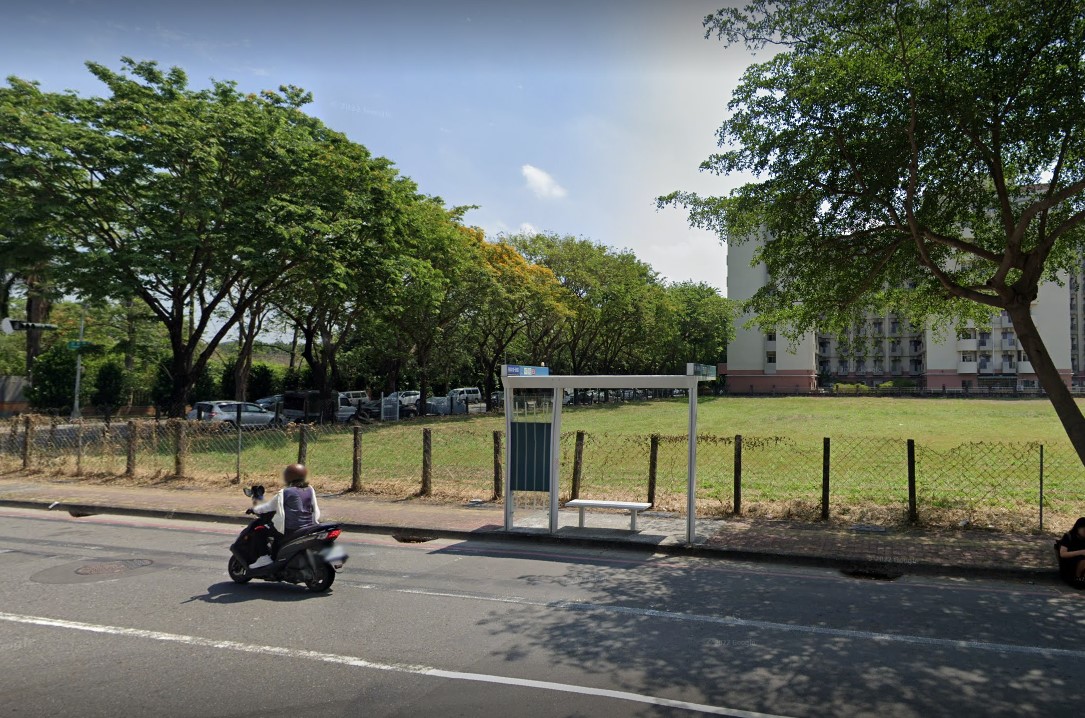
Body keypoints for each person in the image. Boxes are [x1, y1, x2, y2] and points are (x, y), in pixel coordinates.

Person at [248, 463, 322, 569]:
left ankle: (264, 558)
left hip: (290, 528)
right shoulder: (310, 489)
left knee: (259, 531)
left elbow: (268, 507)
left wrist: (253, 509)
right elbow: (313, 507)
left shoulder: (285, 492)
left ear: (289, 477)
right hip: (309, 526)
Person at [1056, 517, 1085, 587]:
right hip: (1069, 564)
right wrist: (1080, 552)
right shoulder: (1068, 536)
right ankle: (1077, 578)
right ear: (1078, 528)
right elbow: (1063, 554)